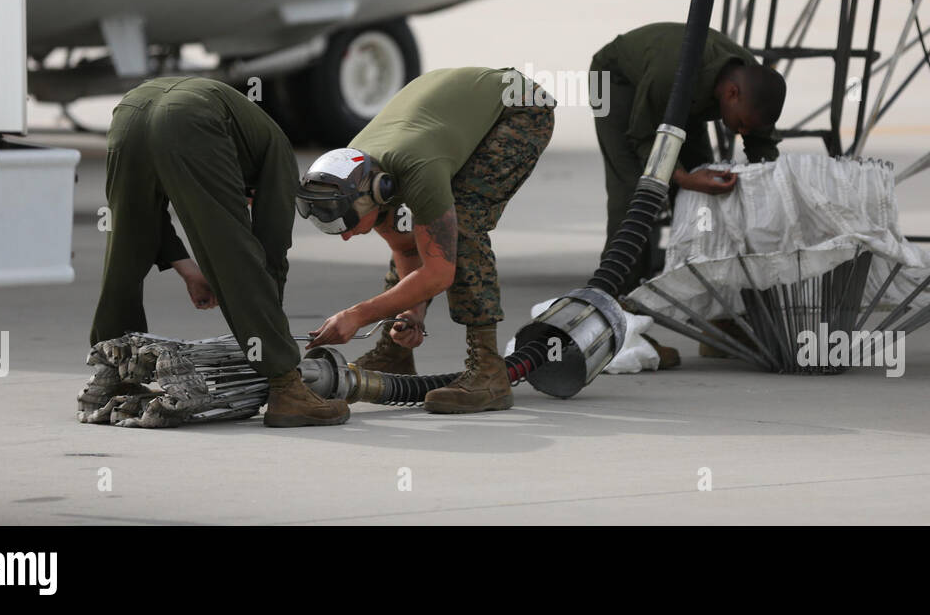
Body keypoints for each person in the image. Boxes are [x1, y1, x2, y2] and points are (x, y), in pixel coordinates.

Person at [89, 77, 349, 428]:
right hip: (191, 118)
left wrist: (190, 271)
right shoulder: (280, 154)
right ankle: (287, 390)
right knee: (234, 253)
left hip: (130, 111)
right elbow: (267, 253)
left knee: (124, 240)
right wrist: (270, 338)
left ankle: (112, 375)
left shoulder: (248, 136)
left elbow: (146, 221)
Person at [297, 66, 554, 415]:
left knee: (461, 226)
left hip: (518, 105)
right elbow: (405, 246)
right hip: (449, 114)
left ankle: (489, 372)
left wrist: (357, 315)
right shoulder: (358, 171)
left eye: (348, 224)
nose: (345, 236)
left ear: (377, 192)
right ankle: (395, 353)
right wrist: (411, 315)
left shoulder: (416, 168)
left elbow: (438, 273)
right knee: (418, 226)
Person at [589, 23, 786, 367]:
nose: (740, 132)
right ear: (731, 94)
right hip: (617, 84)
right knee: (636, 196)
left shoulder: (751, 82)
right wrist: (681, 177)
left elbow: (761, 143)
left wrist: (765, 192)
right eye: (739, 124)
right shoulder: (672, 72)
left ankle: (720, 322)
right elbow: (644, 137)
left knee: (713, 198)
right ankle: (618, 329)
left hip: (680, 97)